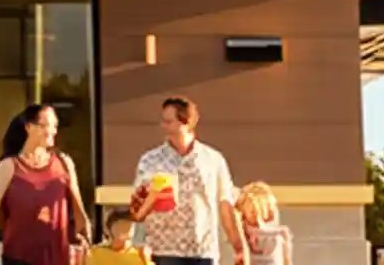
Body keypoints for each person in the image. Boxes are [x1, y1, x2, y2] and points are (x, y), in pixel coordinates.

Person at [128, 96, 248, 265]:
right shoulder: (150, 161)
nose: (163, 126)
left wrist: (239, 247)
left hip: (203, 251)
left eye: (169, 121)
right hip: (163, 250)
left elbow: (225, 204)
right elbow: (136, 209)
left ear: (186, 122)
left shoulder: (213, 160)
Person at [0, 103, 93, 265]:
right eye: (46, 125)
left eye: (55, 125)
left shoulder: (64, 163)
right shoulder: (8, 167)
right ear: (29, 127)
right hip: (19, 259)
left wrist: (84, 242)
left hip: (58, 259)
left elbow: (79, 213)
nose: (53, 130)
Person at [234, 182, 292, 265]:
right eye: (252, 212)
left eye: (256, 211)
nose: (254, 215)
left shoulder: (271, 226)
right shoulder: (242, 227)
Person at [88, 208, 153, 264]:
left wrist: (143, 257)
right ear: (108, 229)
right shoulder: (96, 252)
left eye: (129, 224)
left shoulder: (140, 252)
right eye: (120, 224)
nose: (125, 227)